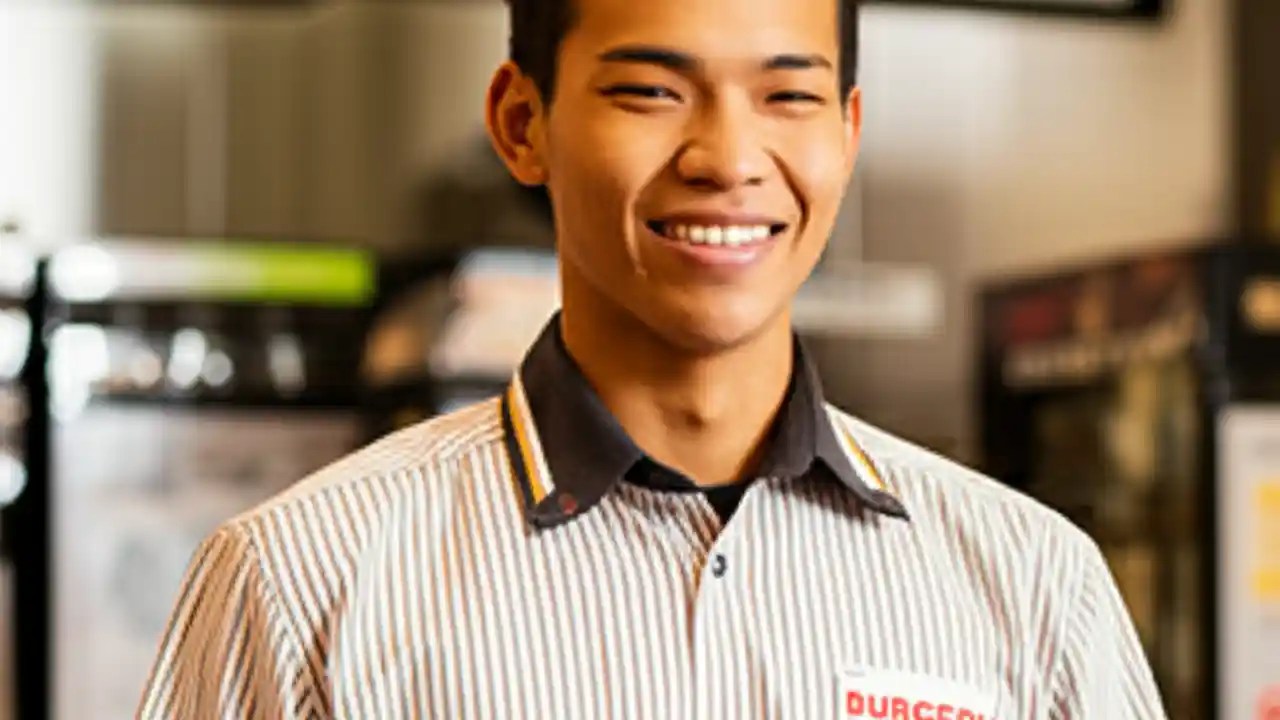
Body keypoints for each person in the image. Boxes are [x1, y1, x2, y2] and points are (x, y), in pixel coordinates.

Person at [139, 0, 1167, 717]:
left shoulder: (1031, 585)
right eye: (648, 91)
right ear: (520, 121)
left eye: (788, 96)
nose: (725, 157)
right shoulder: (300, 580)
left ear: (845, 133)